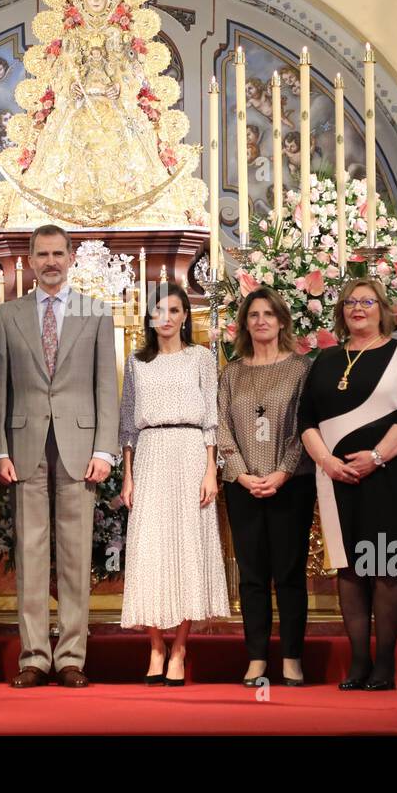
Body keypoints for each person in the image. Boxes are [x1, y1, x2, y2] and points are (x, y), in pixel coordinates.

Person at [0, 224, 119, 688]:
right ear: (30, 259)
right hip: (24, 445)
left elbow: (108, 386)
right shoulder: (7, 315)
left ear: (70, 258)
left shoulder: (96, 312)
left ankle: (71, 658)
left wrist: (104, 448)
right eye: (41, 254)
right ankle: (34, 656)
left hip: (80, 447)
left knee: (74, 553)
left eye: (57, 253)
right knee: (30, 551)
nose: (50, 261)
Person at [298, 278, 397, 691]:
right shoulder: (326, 359)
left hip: (390, 476)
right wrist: (327, 461)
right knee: (350, 568)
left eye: (366, 301)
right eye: (350, 302)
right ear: (341, 311)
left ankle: (385, 664)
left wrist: (375, 458)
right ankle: (358, 662)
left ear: (381, 308)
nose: (358, 308)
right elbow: (307, 420)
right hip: (335, 477)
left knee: (387, 566)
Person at [119, 282, 228, 686]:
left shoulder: (201, 358)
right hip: (149, 453)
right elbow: (127, 422)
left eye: (174, 310)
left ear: (185, 316)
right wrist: (128, 476)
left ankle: (180, 648)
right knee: (150, 551)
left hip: (190, 452)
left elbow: (212, 418)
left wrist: (210, 470)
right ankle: (154, 646)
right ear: (150, 317)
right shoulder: (136, 362)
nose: (166, 318)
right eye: (159, 310)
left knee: (187, 549)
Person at [216, 287, 315, 686]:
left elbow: (306, 425)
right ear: (244, 324)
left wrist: (283, 471)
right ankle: (256, 657)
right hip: (243, 486)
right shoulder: (232, 372)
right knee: (253, 575)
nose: (261, 321)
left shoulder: (302, 368)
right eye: (253, 315)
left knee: (289, 573)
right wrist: (240, 472)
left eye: (268, 314)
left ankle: (291, 657)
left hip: (290, 484)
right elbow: (222, 426)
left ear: (282, 321)